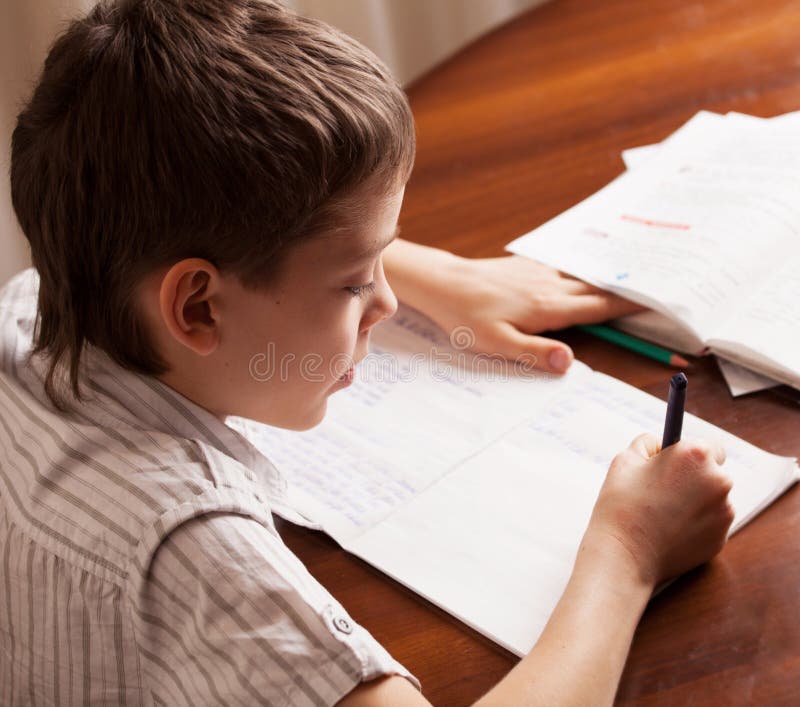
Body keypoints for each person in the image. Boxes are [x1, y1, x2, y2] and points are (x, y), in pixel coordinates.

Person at [1, 0, 734, 704]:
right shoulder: (196, 558)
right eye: (356, 284)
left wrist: (431, 272)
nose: (385, 303)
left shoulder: (34, 305)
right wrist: (628, 552)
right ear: (196, 306)